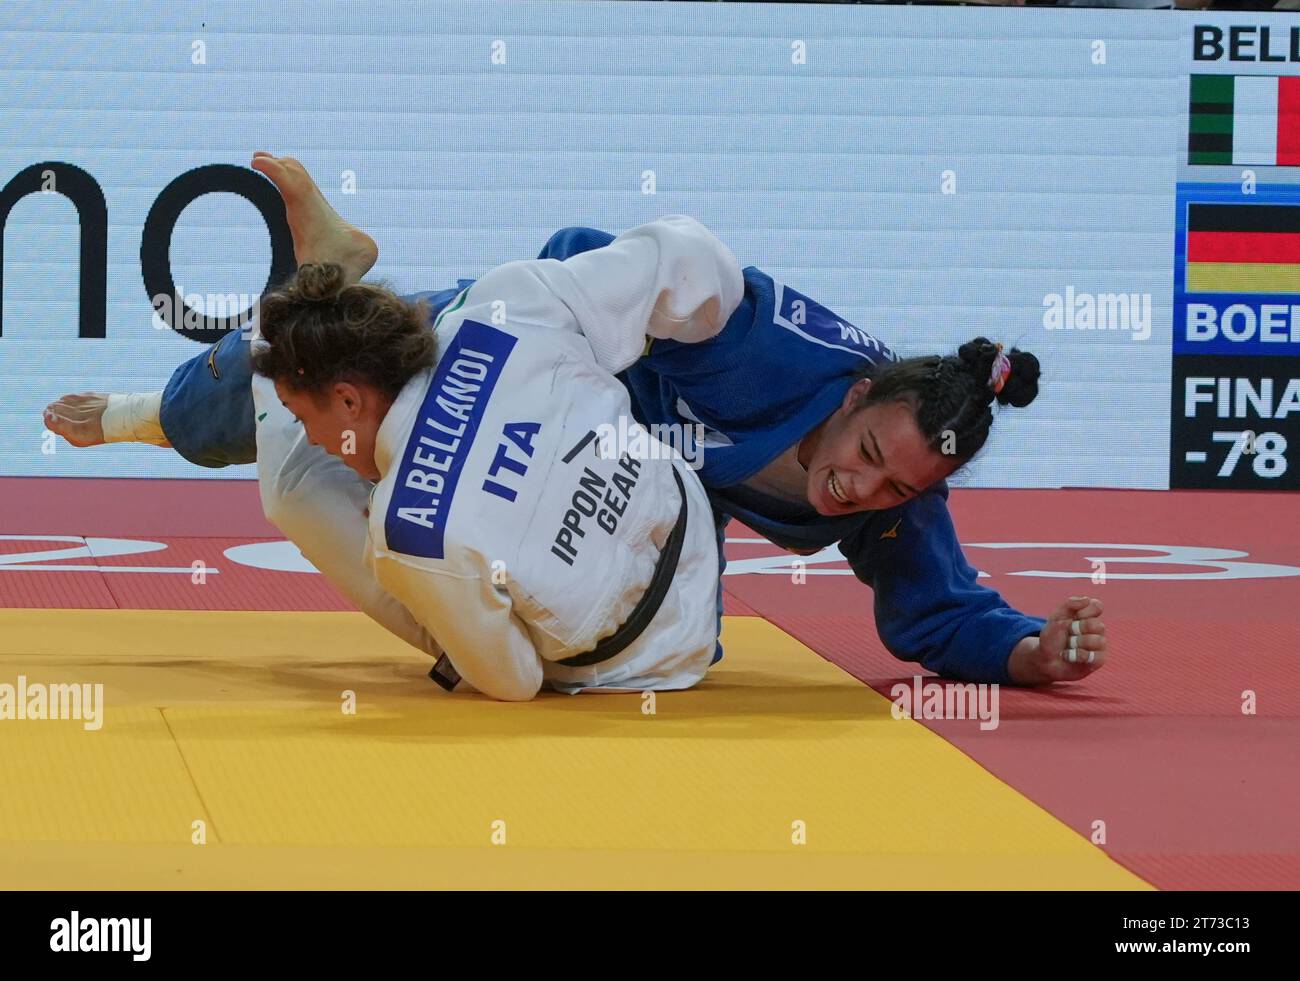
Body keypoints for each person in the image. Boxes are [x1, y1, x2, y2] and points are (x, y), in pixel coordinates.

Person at [47, 154, 1107, 689]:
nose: (862, 492)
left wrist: (1025, 652)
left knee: (351, 460)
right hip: (558, 384)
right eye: (869, 459)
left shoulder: (897, 487)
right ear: (857, 392)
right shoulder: (763, 344)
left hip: (620, 492)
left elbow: (934, 610)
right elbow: (616, 253)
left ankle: (342, 272)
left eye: (896, 491)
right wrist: (560, 353)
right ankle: (167, 398)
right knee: (313, 369)